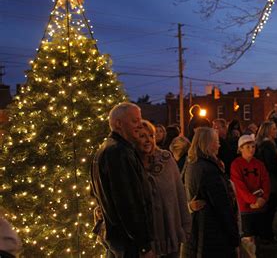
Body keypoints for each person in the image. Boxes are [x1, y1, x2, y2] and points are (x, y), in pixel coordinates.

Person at [90, 102, 155, 257]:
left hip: (119, 239)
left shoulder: (109, 149)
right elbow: (128, 202)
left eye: (140, 120)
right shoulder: (118, 152)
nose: (140, 125)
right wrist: (144, 245)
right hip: (128, 243)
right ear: (119, 124)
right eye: (134, 121)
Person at [134, 120, 191, 258]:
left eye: (151, 136)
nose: (148, 140)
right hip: (146, 241)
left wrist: (186, 226)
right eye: (142, 136)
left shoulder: (166, 159)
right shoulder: (131, 163)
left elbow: (179, 193)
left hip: (170, 234)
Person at [182, 127, 240, 257]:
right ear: (207, 143)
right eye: (216, 141)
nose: (219, 145)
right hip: (213, 232)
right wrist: (234, 238)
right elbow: (222, 206)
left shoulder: (193, 164)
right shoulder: (209, 170)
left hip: (198, 229)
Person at [230, 134, 271, 255]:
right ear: (240, 148)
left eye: (253, 146)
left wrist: (263, 199)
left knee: (258, 239)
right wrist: (253, 200)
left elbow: (266, 182)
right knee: (247, 240)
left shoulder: (259, 164)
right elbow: (239, 187)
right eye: (248, 146)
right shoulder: (236, 165)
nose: (251, 149)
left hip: (259, 207)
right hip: (245, 208)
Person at [255, 121, 277, 243]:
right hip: (270, 180)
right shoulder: (268, 145)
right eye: (274, 129)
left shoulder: (262, 144)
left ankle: (263, 232)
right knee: (270, 207)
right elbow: (271, 164)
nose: (276, 131)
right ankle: (266, 234)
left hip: (264, 179)